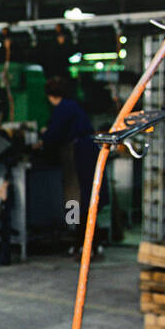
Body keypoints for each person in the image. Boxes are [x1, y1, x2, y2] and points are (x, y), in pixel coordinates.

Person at [39, 75, 108, 256]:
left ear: (50, 96)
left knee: (75, 199)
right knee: (83, 199)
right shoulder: (73, 106)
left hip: (78, 155)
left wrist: (42, 138)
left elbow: (53, 135)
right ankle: (87, 241)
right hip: (86, 153)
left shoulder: (63, 109)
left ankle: (81, 240)